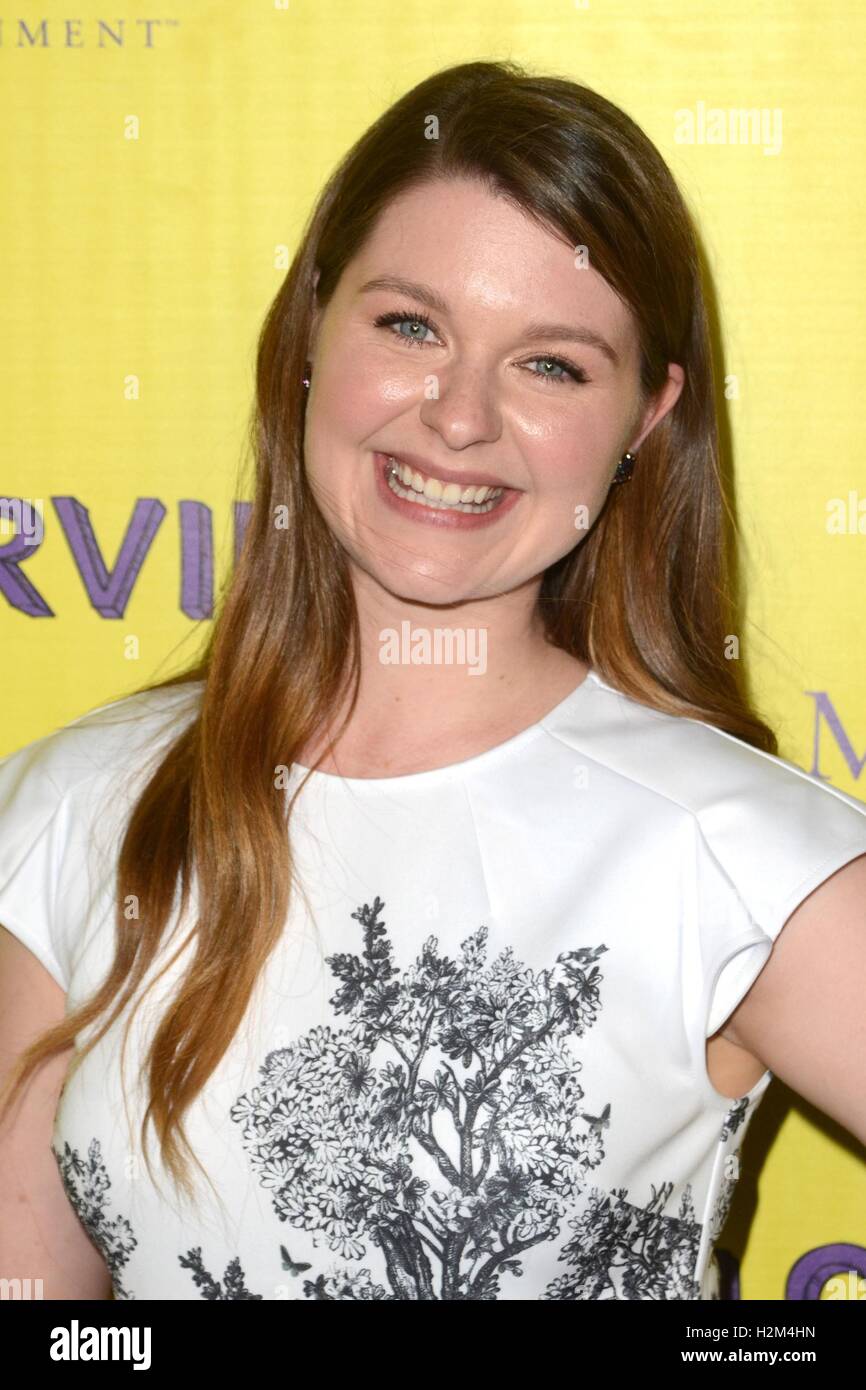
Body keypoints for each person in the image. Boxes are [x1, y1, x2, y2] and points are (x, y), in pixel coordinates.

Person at [1, 59, 864, 1303]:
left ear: (642, 417)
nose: (458, 417)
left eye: (550, 365)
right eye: (410, 326)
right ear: (309, 329)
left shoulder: (731, 853)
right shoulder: (73, 807)